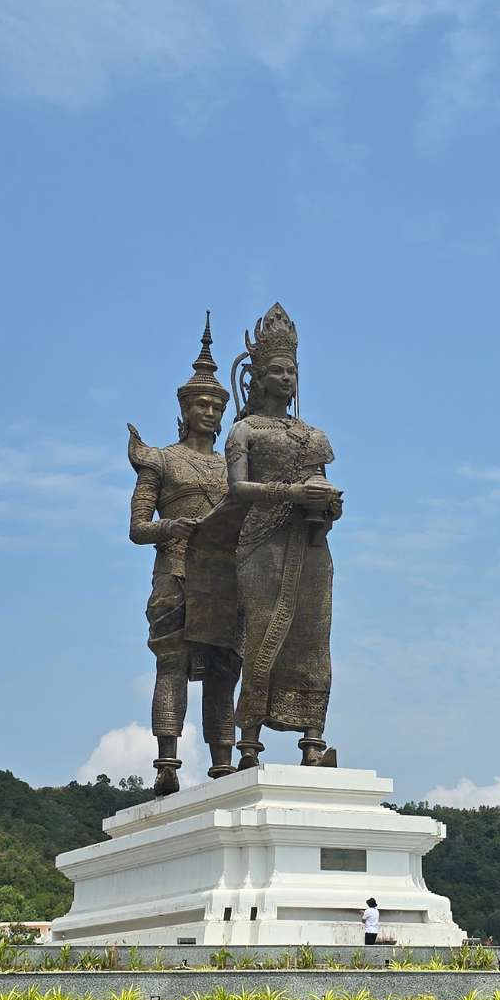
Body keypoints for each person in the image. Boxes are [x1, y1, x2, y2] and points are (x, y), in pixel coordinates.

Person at [209, 302, 342, 770]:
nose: (286, 378)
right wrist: (289, 492)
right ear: (259, 378)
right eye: (277, 371)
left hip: (309, 544)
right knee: (262, 635)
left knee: (312, 637)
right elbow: (237, 489)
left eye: (291, 371)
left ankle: (313, 740)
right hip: (262, 542)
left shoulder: (313, 435)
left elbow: (321, 483)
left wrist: (327, 503)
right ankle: (249, 743)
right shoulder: (244, 431)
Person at [125, 315, 242, 795]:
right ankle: (167, 761)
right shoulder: (160, 460)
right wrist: (171, 526)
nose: (209, 412)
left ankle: (223, 762)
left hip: (226, 576)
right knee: (171, 663)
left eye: (216, 405)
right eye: (201, 404)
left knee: (224, 668)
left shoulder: (233, 467)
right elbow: (137, 528)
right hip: (175, 570)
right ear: (185, 408)